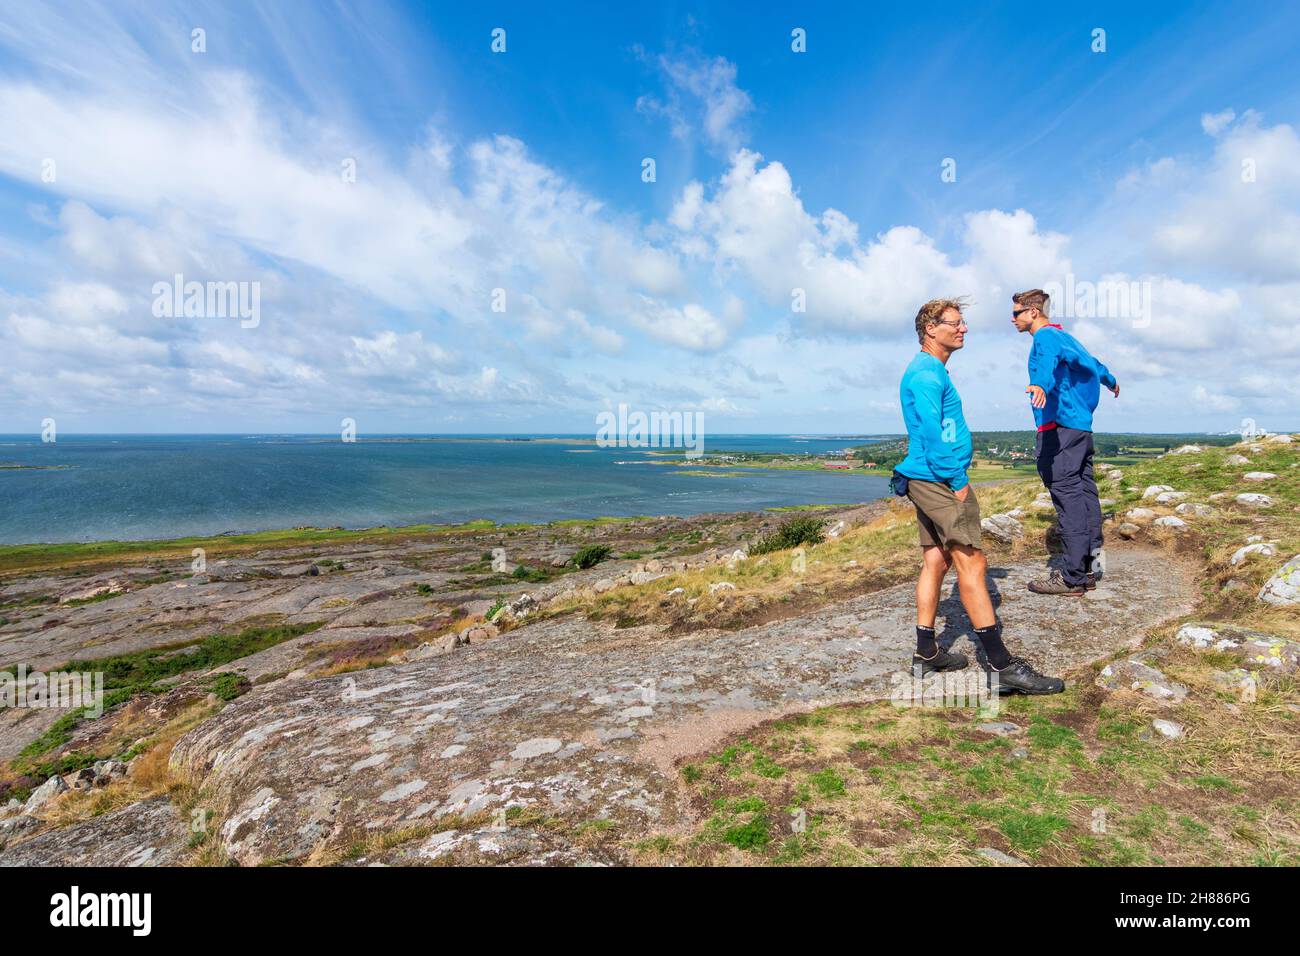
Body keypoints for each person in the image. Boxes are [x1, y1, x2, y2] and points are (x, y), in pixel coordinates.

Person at [894, 297, 1064, 694]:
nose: (963, 328)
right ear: (930, 329)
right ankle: (1002, 667)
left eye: (963, 322)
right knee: (972, 560)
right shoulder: (926, 374)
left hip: (925, 476)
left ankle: (926, 652)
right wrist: (956, 478)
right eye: (955, 322)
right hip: (939, 479)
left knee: (936, 559)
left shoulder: (930, 370)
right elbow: (934, 434)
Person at [1011, 289, 1119, 596]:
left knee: (1068, 500)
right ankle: (1091, 569)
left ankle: (1072, 577)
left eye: (1016, 313)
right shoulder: (1067, 338)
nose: (1013, 319)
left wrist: (1039, 385)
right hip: (1081, 430)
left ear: (1033, 312)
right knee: (1086, 496)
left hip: (1058, 428)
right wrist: (1111, 380)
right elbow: (1094, 364)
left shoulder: (1045, 338)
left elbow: (1046, 363)